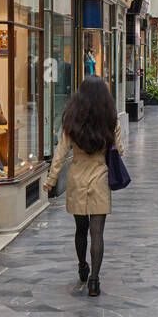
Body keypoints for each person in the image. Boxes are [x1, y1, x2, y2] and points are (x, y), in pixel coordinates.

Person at [45, 76, 124, 297]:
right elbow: (121, 149)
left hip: (77, 177)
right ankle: (95, 281)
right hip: (99, 177)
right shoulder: (111, 120)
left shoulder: (71, 120)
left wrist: (51, 180)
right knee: (97, 232)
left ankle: (82, 266)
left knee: (81, 229)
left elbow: (60, 153)